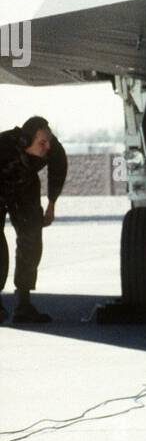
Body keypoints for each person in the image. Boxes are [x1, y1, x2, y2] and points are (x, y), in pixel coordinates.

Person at [0, 116, 67, 324]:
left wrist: (51, 204)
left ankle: (24, 304)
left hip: (25, 184)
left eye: (49, 141)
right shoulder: (3, 146)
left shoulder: (52, 147)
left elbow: (58, 168)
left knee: (31, 236)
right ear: (24, 141)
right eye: (42, 143)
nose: (48, 147)